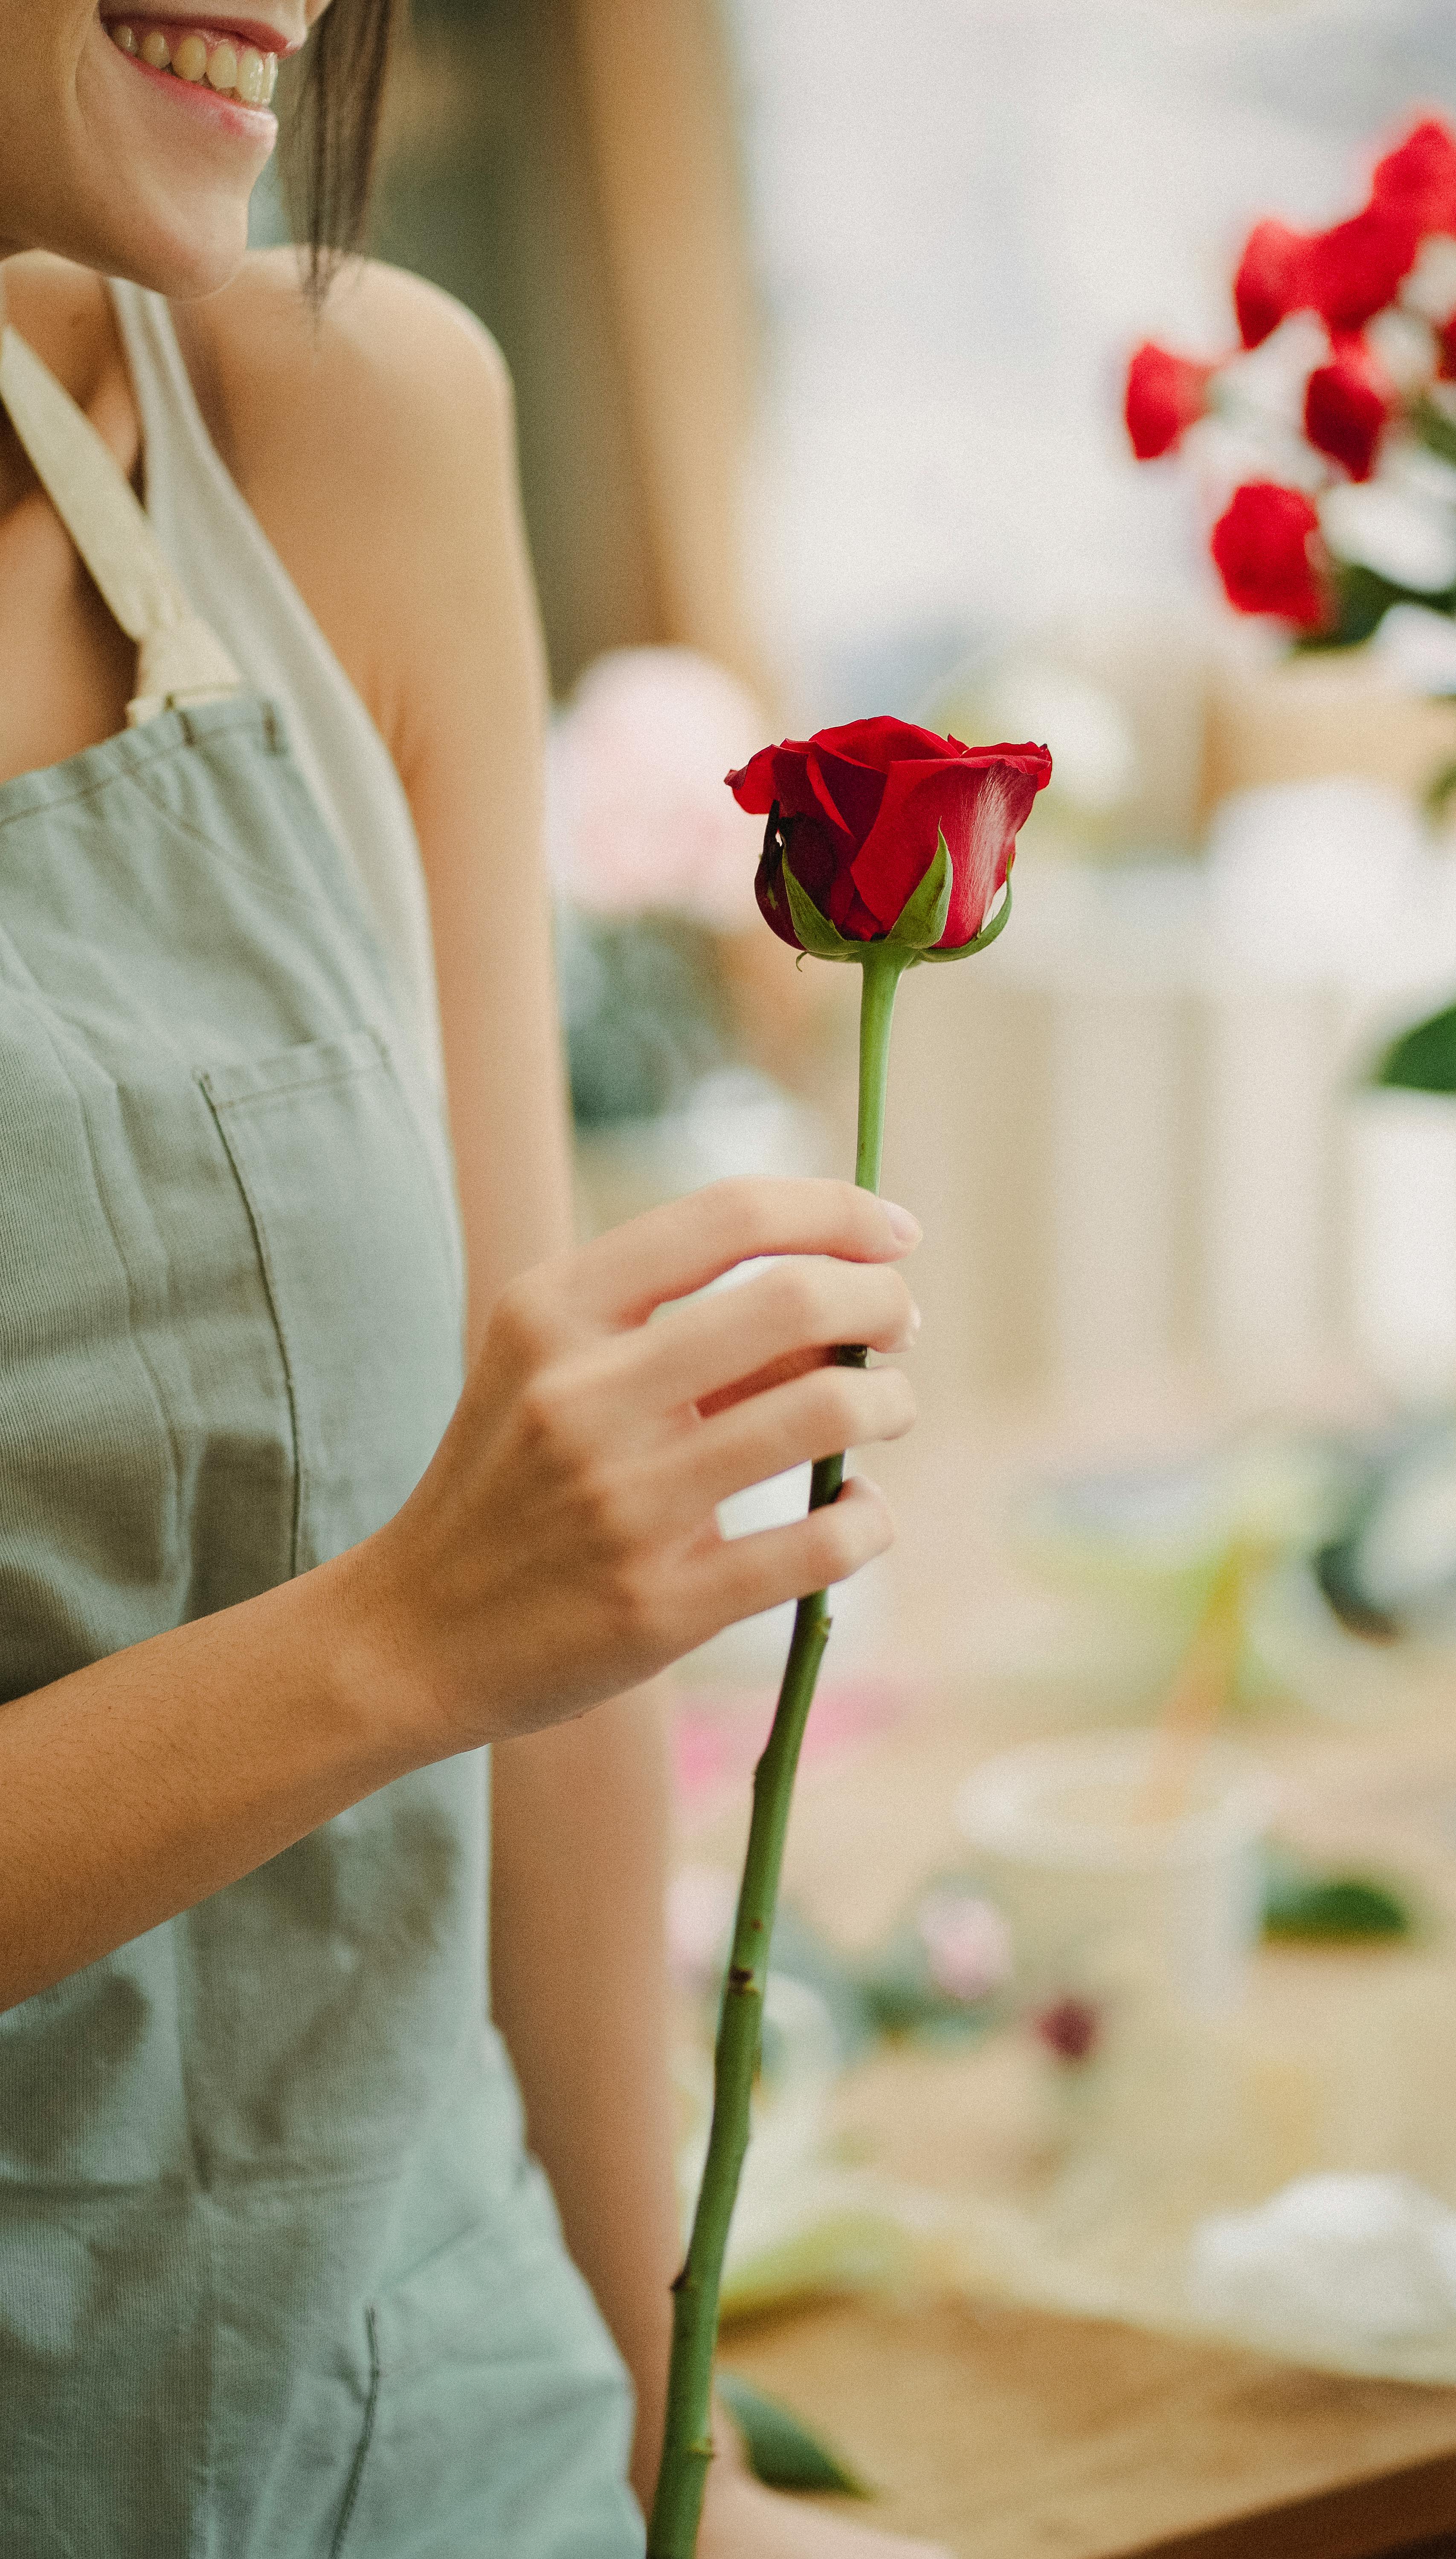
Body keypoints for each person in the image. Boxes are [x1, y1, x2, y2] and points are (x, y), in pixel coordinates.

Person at [0, 8, 954, 2553]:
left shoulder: (343, 423)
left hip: (458, 2446)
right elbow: (479, 1603)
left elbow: (552, 1630)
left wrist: (685, 2466)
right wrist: (402, 1637)